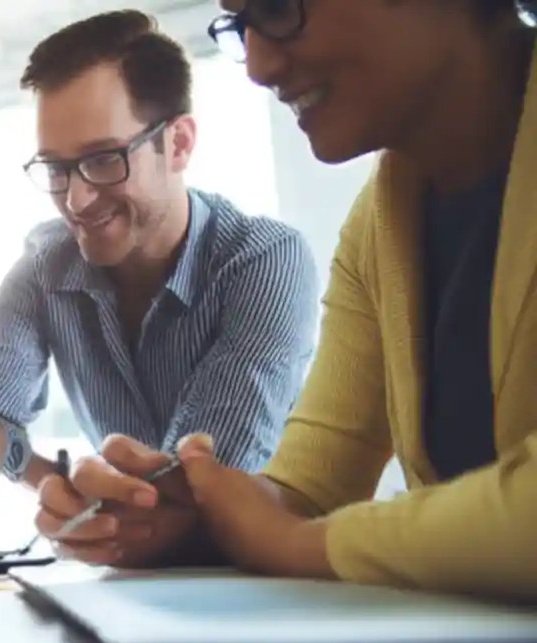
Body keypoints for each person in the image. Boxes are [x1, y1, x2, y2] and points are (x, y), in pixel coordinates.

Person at [55, 0, 537, 601]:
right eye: (242, 25)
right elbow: (308, 489)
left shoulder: (268, 253)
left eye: (280, 9)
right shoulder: (382, 224)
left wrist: (294, 545)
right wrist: (185, 517)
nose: (255, 65)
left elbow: (294, 532)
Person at [0, 11, 317, 568]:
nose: (76, 201)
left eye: (104, 160)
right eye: (57, 168)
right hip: (137, 591)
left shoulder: (264, 260)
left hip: (273, 578)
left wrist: (82, 504)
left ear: (177, 144)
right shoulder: (42, 267)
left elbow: (198, 483)